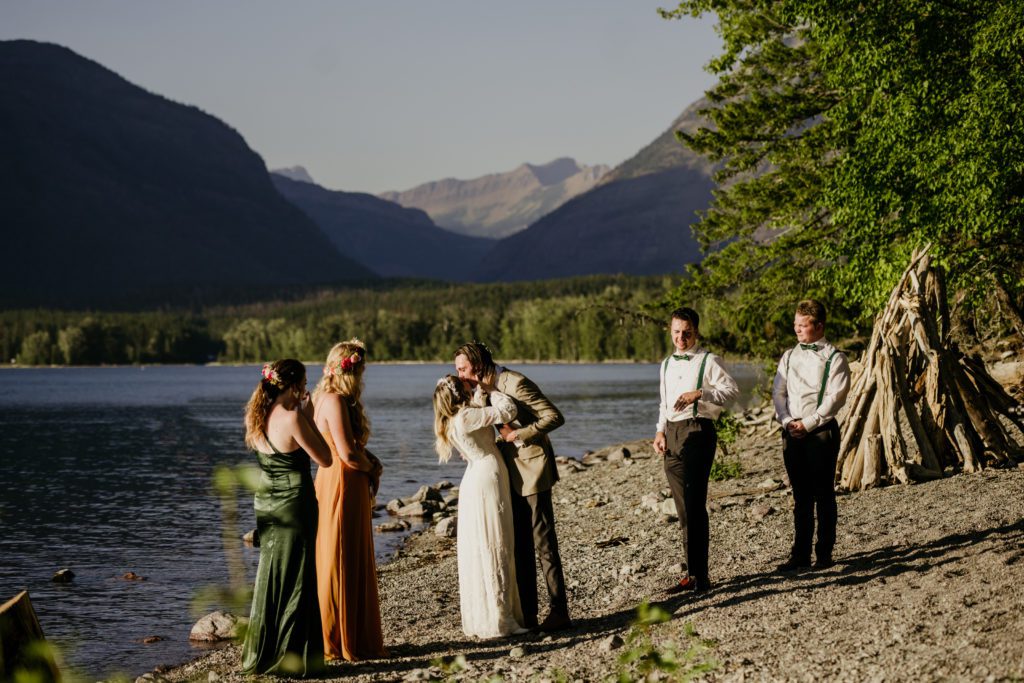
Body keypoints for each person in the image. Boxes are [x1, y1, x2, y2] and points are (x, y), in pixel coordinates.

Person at [454, 342, 571, 632]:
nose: (460, 375)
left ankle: (560, 611)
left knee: (544, 544)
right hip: (505, 474)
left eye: (463, 369)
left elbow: (554, 416)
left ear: (479, 366)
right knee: (518, 547)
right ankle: (527, 615)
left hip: (533, 469)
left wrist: (520, 434)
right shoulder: (479, 391)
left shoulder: (514, 382)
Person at [240, 359, 333, 677]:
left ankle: (262, 652)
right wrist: (307, 414)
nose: (306, 390)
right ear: (294, 386)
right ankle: (292, 657)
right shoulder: (292, 416)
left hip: (265, 503)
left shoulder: (258, 414)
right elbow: (326, 458)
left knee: (270, 574)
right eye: (305, 383)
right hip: (294, 504)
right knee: (297, 578)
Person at [433, 373, 527, 638]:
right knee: (497, 542)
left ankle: (491, 615)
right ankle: (502, 618)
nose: (470, 383)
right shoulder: (466, 417)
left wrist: (478, 397)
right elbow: (509, 410)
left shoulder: (454, 419)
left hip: (475, 477)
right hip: (488, 474)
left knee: (483, 544)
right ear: (460, 391)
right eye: (466, 384)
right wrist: (489, 390)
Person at [654, 307, 739, 594]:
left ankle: (701, 577)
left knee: (694, 503)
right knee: (682, 509)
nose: (681, 337)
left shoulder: (709, 360)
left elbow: (731, 391)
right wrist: (660, 430)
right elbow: (664, 403)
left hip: (698, 430)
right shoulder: (666, 364)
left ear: (696, 332)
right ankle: (691, 573)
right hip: (673, 434)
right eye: (677, 331)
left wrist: (700, 393)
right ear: (671, 331)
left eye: (687, 332)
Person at [312, 339, 386, 661]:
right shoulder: (333, 401)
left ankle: (349, 634)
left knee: (346, 555)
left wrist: (369, 462)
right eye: (362, 371)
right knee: (340, 557)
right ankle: (339, 640)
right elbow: (347, 455)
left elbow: (350, 449)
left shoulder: (328, 397)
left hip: (341, 481)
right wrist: (373, 468)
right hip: (342, 483)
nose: (363, 377)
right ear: (351, 370)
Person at [772, 299, 851, 571]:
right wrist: (786, 420)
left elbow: (834, 399)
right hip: (791, 431)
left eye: (803, 326)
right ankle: (800, 554)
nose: (797, 331)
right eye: (795, 325)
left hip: (821, 432)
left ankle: (825, 553)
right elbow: (778, 392)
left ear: (819, 325)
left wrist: (808, 423)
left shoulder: (835, 358)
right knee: (800, 496)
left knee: (824, 494)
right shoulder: (789, 356)